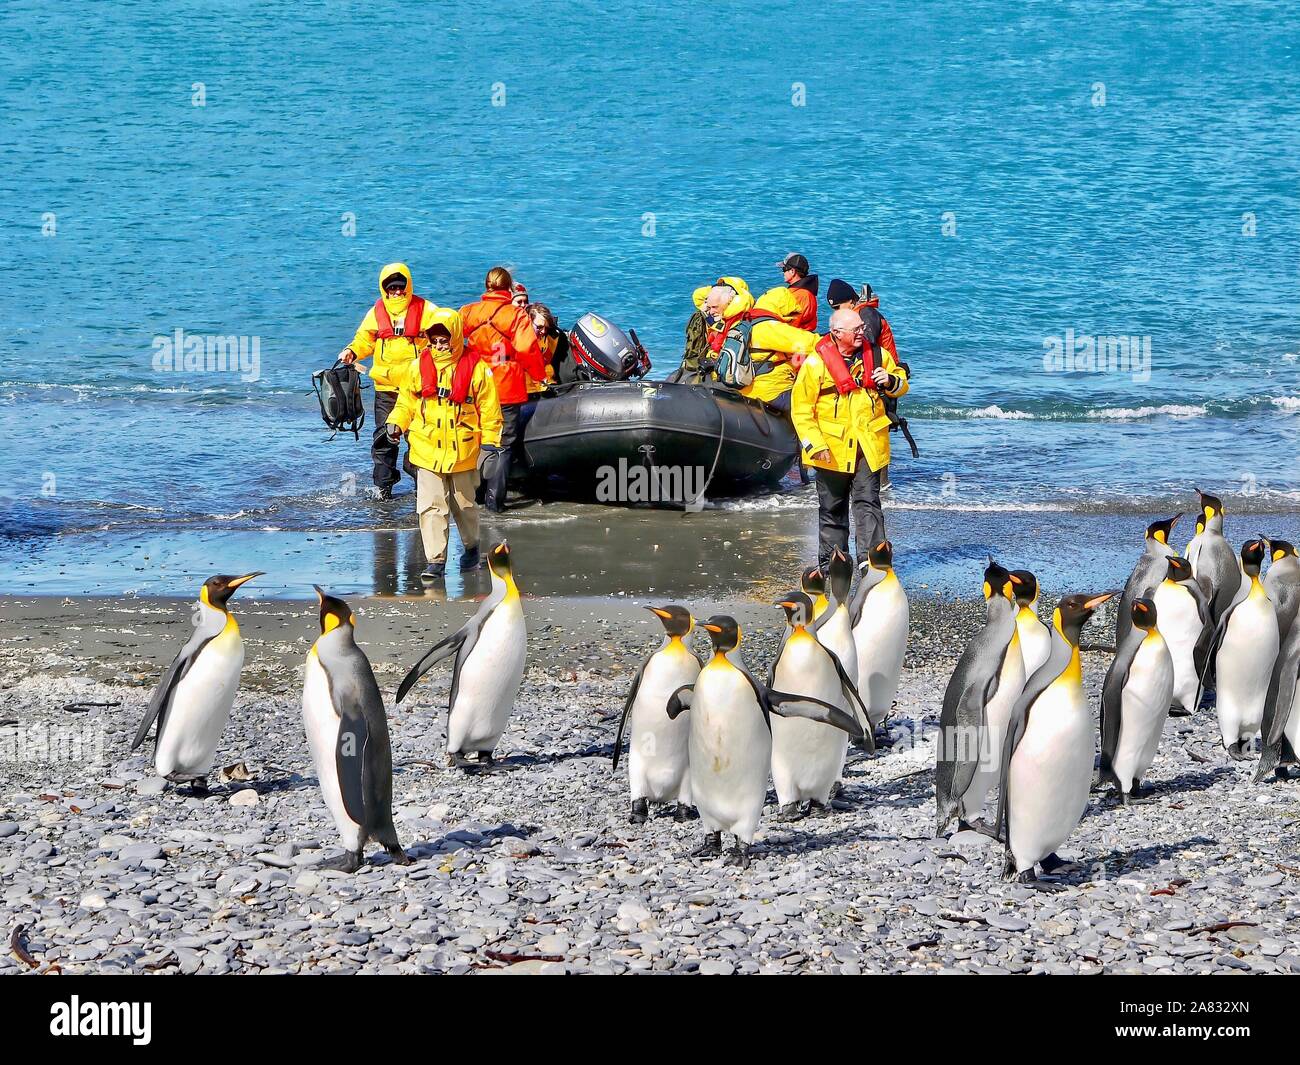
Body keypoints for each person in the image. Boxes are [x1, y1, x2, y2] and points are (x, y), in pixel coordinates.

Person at [385, 309, 503, 583]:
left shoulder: (478, 368)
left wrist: (490, 445)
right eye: (434, 339)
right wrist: (395, 425)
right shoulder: (417, 366)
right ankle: (435, 561)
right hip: (426, 449)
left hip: (464, 450)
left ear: (456, 337)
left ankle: (472, 548)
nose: (439, 345)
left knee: (465, 505)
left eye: (444, 339)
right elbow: (406, 403)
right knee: (431, 506)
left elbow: (490, 410)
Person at [791, 307, 909, 568]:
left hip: (868, 445)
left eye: (862, 328)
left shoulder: (879, 355)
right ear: (836, 333)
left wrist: (890, 381)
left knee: (869, 502)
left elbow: (902, 384)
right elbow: (801, 410)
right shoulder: (815, 363)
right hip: (830, 448)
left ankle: (873, 563)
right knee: (832, 508)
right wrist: (814, 445)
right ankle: (833, 563)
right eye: (855, 329)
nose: (862, 332)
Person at [339, 263, 437, 499]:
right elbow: (364, 340)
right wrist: (352, 351)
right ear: (384, 288)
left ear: (408, 286)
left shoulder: (427, 310)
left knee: (418, 439)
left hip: (417, 390)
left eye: (400, 286)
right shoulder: (376, 312)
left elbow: (446, 333)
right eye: (391, 287)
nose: (396, 291)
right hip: (386, 390)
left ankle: (422, 488)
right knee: (384, 438)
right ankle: (382, 489)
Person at [459, 267, 547, 512]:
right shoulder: (515, 315)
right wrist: (539, 375)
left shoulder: (468, 312)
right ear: (508, 288)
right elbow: (527, 348)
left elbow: (453, 337)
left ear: (486, 286)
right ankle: (494, 502)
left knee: (477, 439)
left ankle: (471, 496)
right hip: (506, 386)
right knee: (503, 445)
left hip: (476, 385)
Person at [692, 277, 818, 411]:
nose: (711, 311)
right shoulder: (770, 328)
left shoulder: (731, 321)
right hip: (770, 391)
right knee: (813, 405)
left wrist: (724, 287)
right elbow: (812, 344)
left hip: (740, 387)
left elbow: (698, 296)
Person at [826, 279, 897, 362]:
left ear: (851, 302)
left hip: (885, 366)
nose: (836, 312)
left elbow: (865, 342)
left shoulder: (868, 314)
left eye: (837, 307)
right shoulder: (854, 315)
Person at [776, 252, 819, 332]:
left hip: (797, 338)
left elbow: (792, 325)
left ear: (792, 271)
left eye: (784, 269)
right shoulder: (803, 291)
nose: (783, 273)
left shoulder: (800, 295)